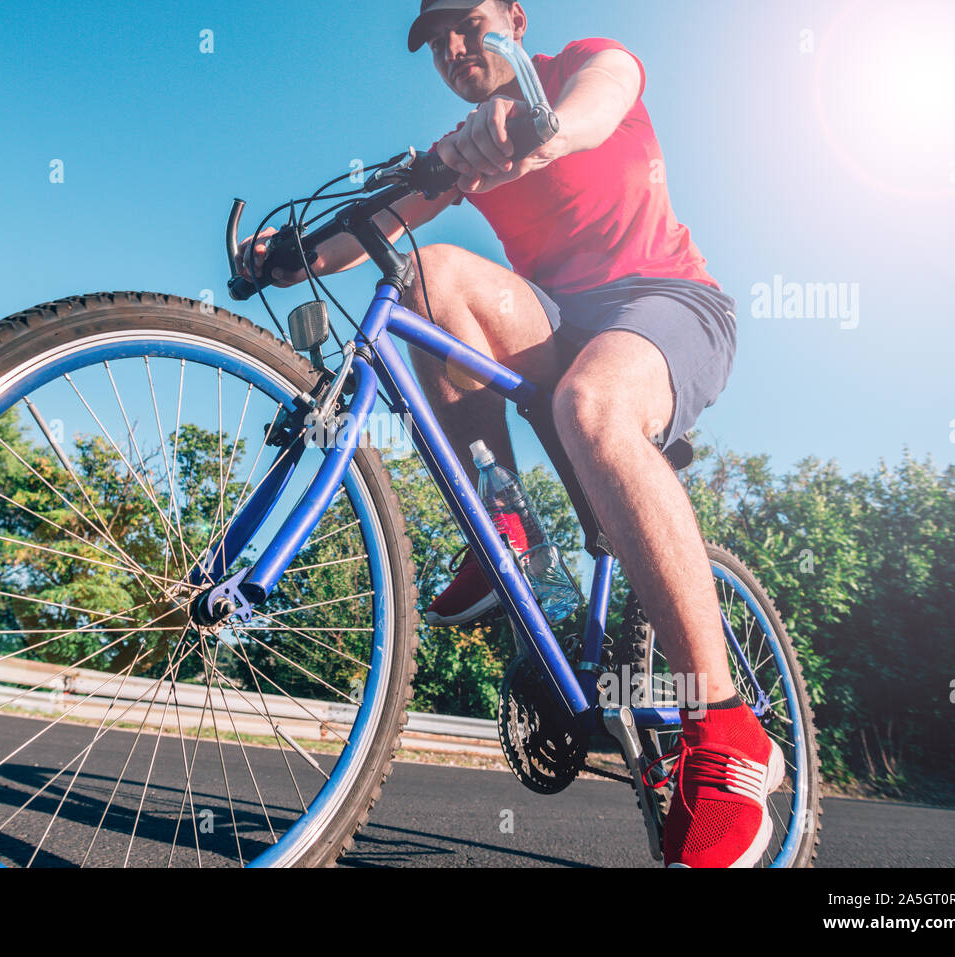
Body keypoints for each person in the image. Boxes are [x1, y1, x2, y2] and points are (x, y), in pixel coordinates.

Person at [235, 1, 780, 868]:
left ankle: (725, 727)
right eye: (435, 40)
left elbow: (593, 109)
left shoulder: (585, 66)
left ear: (515, 19)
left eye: (469, 20)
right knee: (422, 276)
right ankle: (508, 528)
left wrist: (534, 120)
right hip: (556, 321)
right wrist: (289, 251)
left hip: (664, 303)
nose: (453, 48)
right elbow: (370, 226)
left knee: (592, 406)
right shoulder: (466, 150)